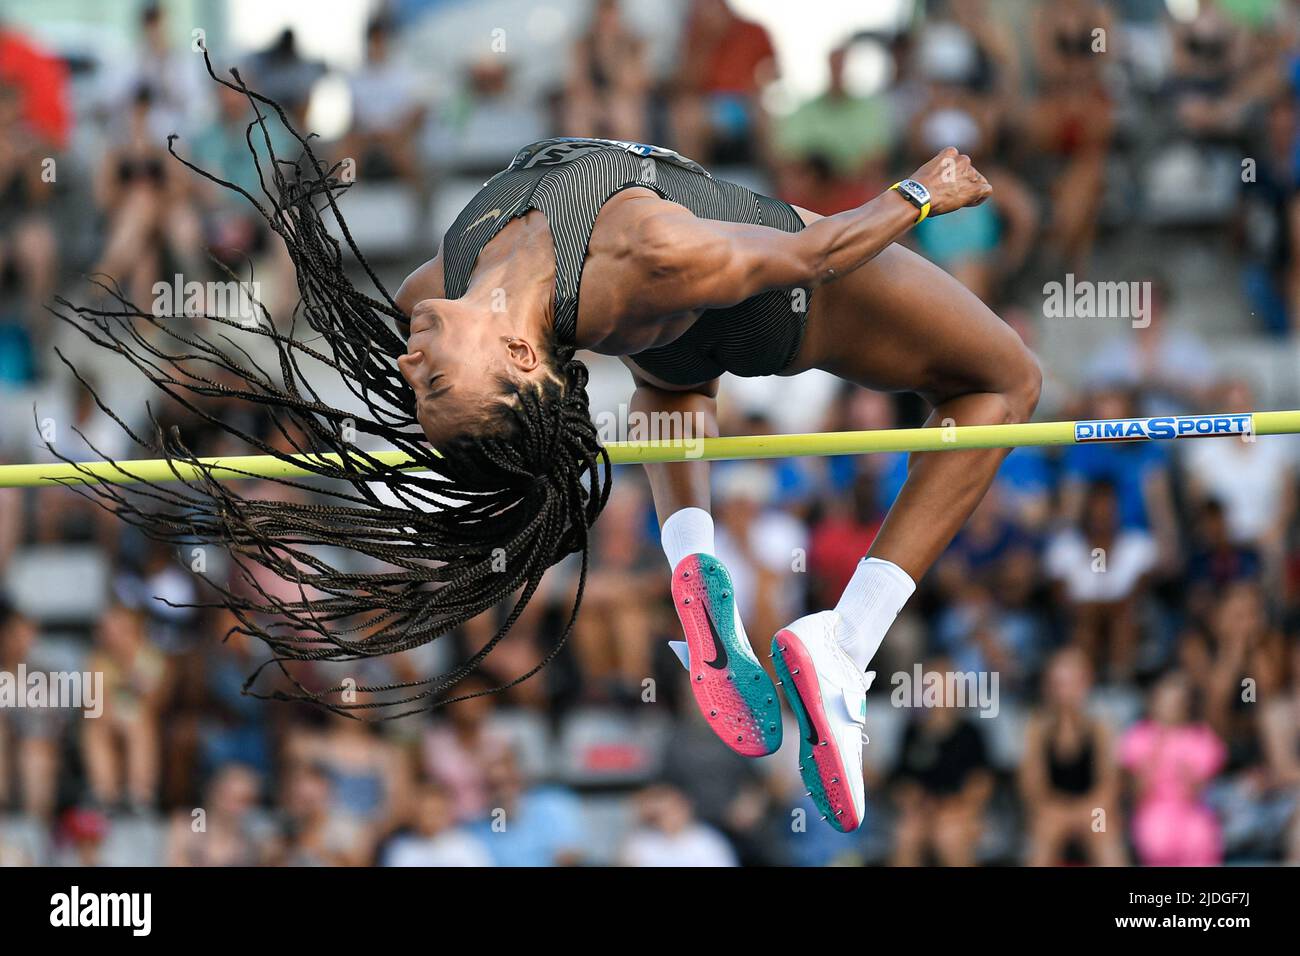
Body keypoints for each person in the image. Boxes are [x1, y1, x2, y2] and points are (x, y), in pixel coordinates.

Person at [56, 57, 1040, 836]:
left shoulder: (429, 290)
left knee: (670, 372)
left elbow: (394, 342)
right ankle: (845, 642)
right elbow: (808, 254)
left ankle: (692, 552)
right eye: (436, 381)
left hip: (663, 325)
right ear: (523, 355)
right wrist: (920, 189)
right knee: (1004, 382)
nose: (408, 367)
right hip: (765, 296)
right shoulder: (645, 254)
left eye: (415, 384)